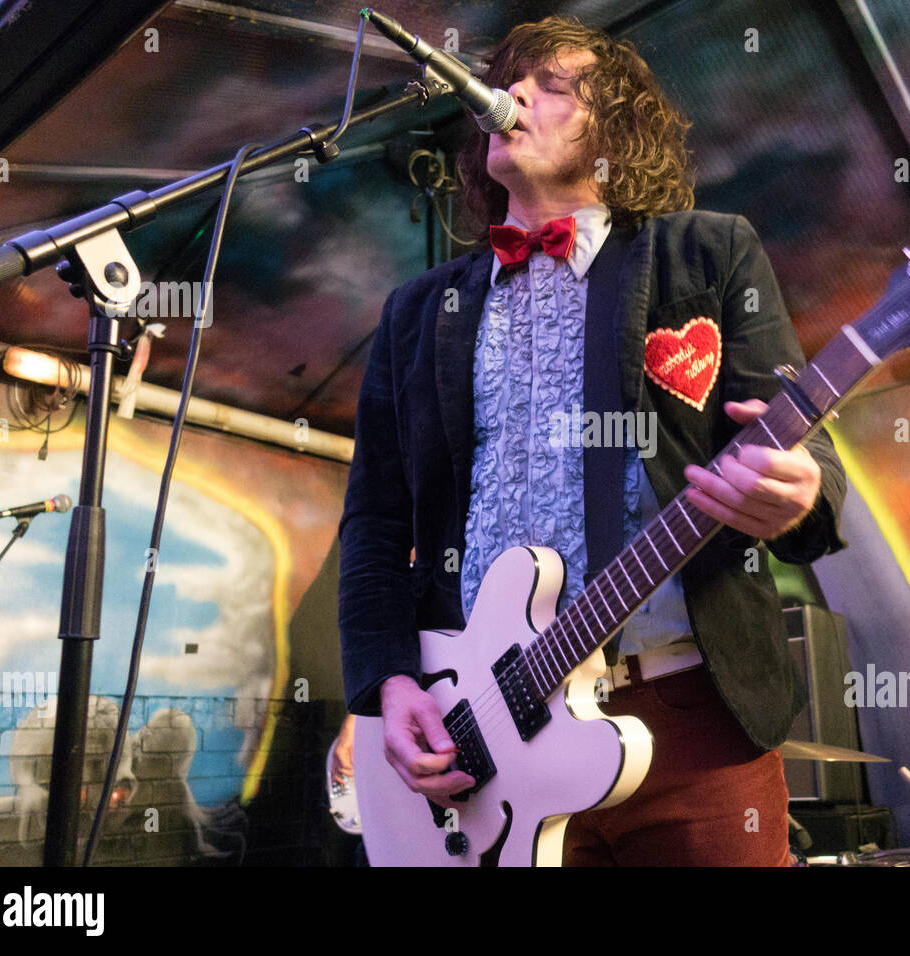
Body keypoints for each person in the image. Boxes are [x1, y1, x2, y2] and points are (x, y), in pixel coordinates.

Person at [338, 16, 846, 866]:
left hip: (689, 719)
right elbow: (376, 528)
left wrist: (798, 492)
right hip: (481, 744)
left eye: (556, 85)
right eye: (512, 79)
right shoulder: (420, 313)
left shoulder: (706, 253)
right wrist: (389, 684)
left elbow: (807, 455)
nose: (516, 94)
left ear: (614, 128)